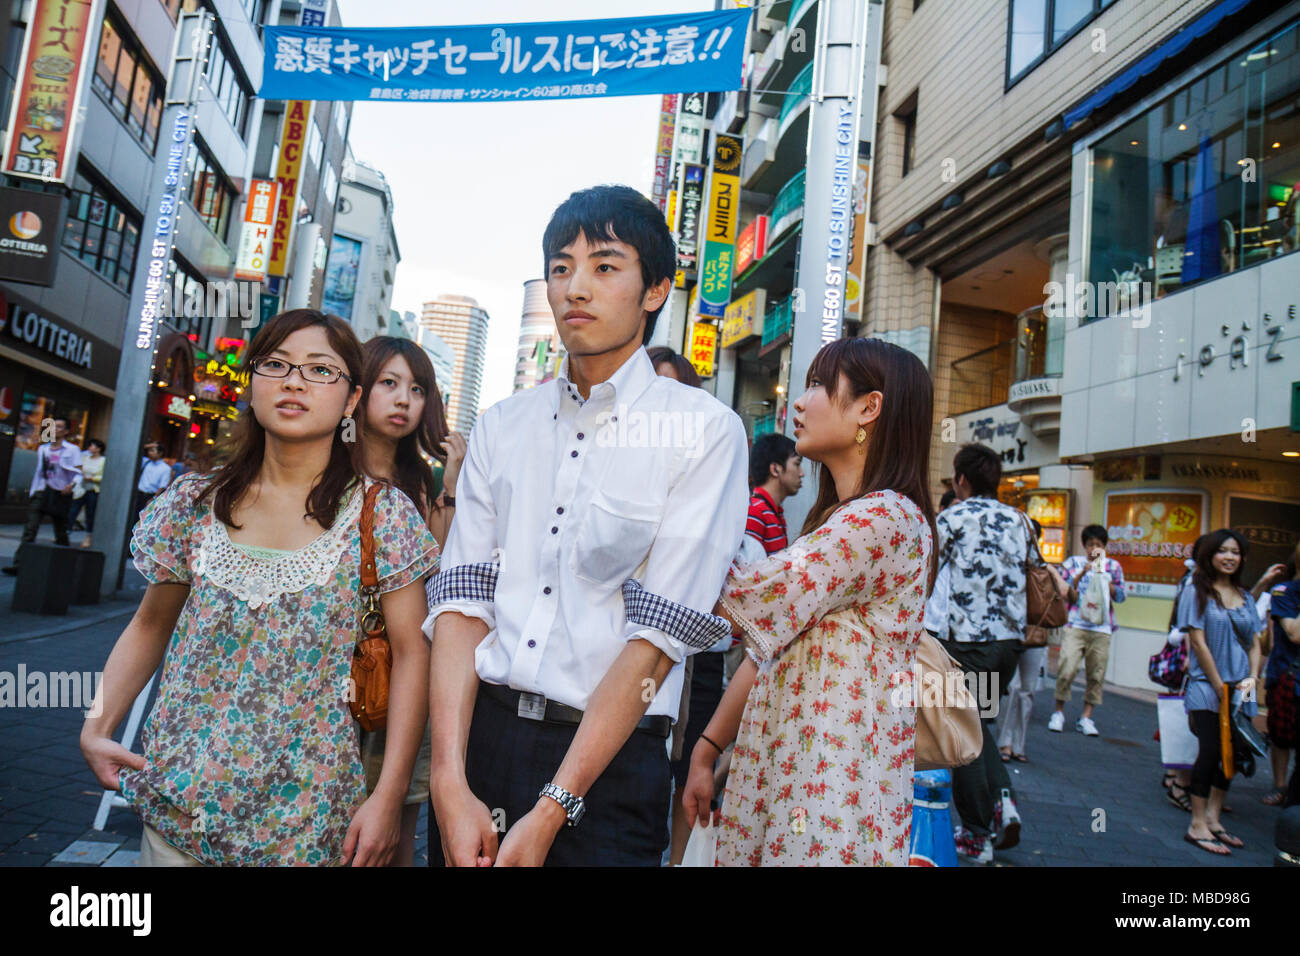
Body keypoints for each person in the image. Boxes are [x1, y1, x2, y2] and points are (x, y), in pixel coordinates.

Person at [425, 185, 749, 867]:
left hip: (610, 769)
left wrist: (552, 809)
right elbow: (461, 603)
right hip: (483, 740)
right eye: (560, 267)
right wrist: (448, 780)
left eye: (605, 266)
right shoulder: (502, 426)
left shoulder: (703, 431)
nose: (576, 287)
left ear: (655, 290)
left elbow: (657, 640)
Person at [80, 309, 439, 866]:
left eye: (320, 370)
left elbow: (414, 653)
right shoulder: (194, 502)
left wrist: (388, 797)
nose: (295, 381)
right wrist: (97, 724)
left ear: (351, 399)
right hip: (179, 806)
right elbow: (149, 624)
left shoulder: (382, 514)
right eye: (277, 364)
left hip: (307, 822)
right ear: (253, 382)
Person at [681, 336, 936, 866]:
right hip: (801, 780)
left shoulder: (884, 518)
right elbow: (766, 647)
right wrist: (707, 749)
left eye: (819, 385)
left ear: (869, 407)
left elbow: (746, 597)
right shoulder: (844, 519)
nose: (800, 402)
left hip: (829, 797)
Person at [356, 335, 466, 865]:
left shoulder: (420, 480)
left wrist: (452, 484)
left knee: (395, 828)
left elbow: (436, 570)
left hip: (401, 665)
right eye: (389, 383)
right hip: (331, 666)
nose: (403, 399)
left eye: (417, 389)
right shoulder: (325, 466)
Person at [936, 443, 1040, 863]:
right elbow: (1036, 569)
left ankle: (978, 831)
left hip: (968, 642)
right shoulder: (1021, 521)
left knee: (963, 729)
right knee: (976, 721)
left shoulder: (952, 518)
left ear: (961, 479)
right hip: (1010, 643)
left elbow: (926, 572)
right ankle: (1002, 802)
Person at [1177, 529, 1265, 856]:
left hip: (1241, 689)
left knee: (1233, 754)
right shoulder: (1196, 590)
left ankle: (1214, 819)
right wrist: (1217, 684)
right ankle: (1197, 824)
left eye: (1236, 552)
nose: (1230, 557)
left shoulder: (1246, 596)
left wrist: (1252, 678)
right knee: (1211, 750)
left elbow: (1254, 643)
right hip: (1207, 686)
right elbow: (1198, 642)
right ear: (1210, 554)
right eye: (1223, 551)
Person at [1049, 524, 1128, 736]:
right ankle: (1058, 712)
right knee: (1067, 668)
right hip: (1075, 623)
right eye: (1091, 544)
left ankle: (1086, 717)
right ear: (1084, 545)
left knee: (1096, 673)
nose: (1094, 548)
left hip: (1102, 627)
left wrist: (1104, 577)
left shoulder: (1113, 566)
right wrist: (1083, 572)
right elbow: (1064, 590)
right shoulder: (1073, 563)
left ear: (1105, 546)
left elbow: (1121, 596)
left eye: (1099, 545)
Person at [999, 518, 1067, 762]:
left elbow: (1065, 592)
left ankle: (1019, 744)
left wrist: (1052, 574)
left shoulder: (1044, 568)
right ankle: (1005, 743)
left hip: (1034, 632)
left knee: (1026, 690)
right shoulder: (1005, 563)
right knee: (1012, 688)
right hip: (1009, 632)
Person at [2, 415, 81, 575]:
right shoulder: (43, 449)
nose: (55, 429)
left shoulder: (72, 450)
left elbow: (79, 472)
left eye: (59, 427)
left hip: (61, 493)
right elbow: (39, 471)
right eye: (53, 426)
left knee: (60, 531)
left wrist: (71, 485)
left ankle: (64, 566)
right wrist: (34, 491)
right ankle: (19, 564)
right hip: (42, 491)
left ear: (66, 431)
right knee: (30, 529)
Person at [1264, 544, 1300, 807]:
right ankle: (1280, 787)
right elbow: (1295, 634)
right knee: (1281, 736)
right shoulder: (1283, 592)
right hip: (1286, 675)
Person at [744, 433, 802, 555]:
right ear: (775, 469)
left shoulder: (774, 512)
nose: (802, 473)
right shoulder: (754, 513)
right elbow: (746, 564)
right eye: (797, 464)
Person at [69, 438, 106, 548]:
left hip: (94, 489)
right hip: (81, 488)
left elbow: (104, 475)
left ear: (99, 449)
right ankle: (66, 531)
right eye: (89, 446)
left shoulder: (103, 460)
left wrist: (92, 478)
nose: (90, 448)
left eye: (92, 446)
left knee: (90, 514)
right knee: (72, 511)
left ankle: (89, 536)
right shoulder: (84, 458)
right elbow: (77, 471)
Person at [136, 443, 172, 517]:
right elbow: (136, 450)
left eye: (152, 451)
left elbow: (162, 486)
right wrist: (150, 445)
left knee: (143, 518)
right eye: (149, 451)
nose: (149, 453)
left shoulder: (166, 468)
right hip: (138, 494)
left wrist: (153, 499)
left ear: (160, 453)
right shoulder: (146, 462)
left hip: (150, 497)